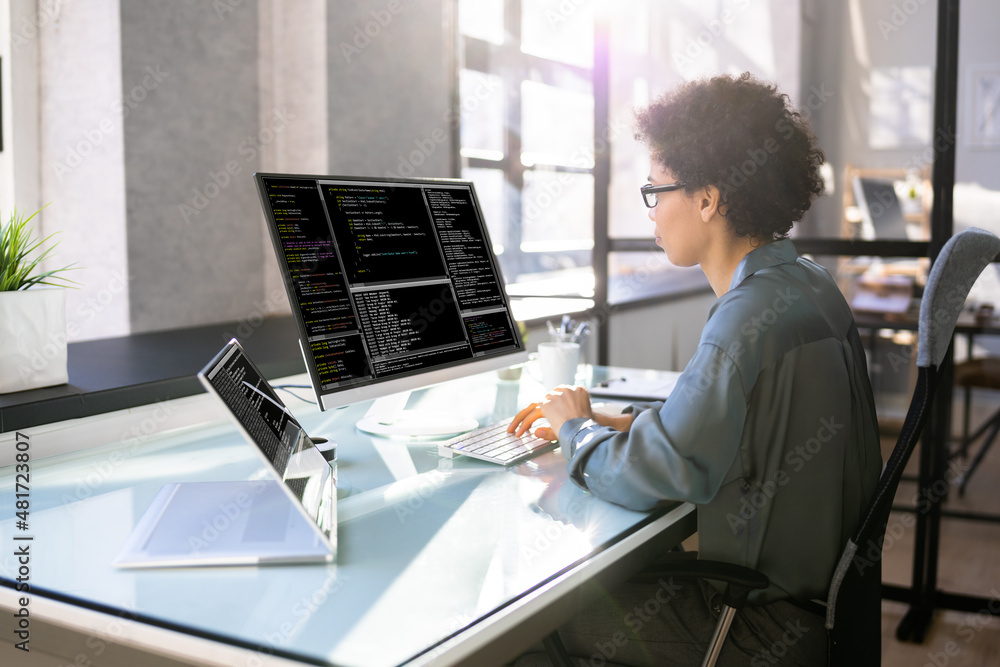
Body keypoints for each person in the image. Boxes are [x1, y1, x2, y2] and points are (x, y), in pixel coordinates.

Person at [508, 73, 882, 666]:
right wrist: (624, 423)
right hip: (826, 619)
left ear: (707, 199)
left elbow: (657, 475)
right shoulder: (809, 285)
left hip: (756, 628)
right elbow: (734, 428)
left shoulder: (745, 318)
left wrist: (575, 432)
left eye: (656, 191)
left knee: (526, 618)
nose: (652, 212)